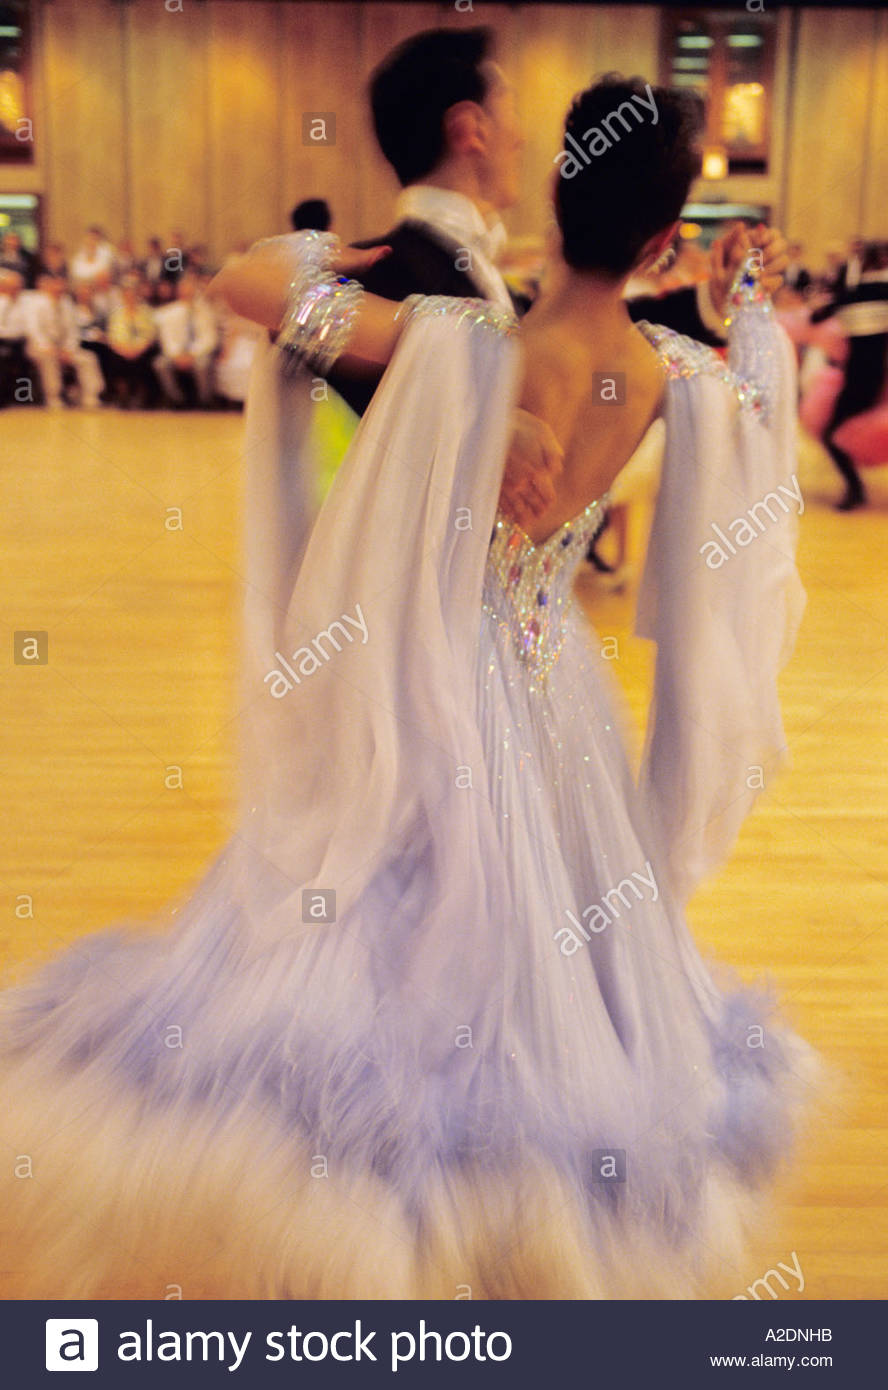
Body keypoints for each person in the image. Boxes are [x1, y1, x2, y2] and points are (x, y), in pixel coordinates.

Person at [0, 73, 815, 1301]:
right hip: (563, 705)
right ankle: (516, 1228)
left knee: (400, 916)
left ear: (555, 192)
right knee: (554, 950)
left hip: (443, 678)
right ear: (659, 239)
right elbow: (762, 402)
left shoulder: (465, 346)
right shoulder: (675, 376)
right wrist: (738, 290)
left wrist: (343, 244)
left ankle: (388, 1215)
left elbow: (244, 282)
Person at [24, 272, 104, 408]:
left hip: (64, 348)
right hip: (39, 347)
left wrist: (68, 349)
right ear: (48, 285)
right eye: (55, 284)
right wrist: (49, 347)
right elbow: (33, 330)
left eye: (61, 284)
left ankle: (91, 396)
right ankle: (53, 397)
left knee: (88, 358)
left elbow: (73, 331)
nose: (58, 287)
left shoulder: (67, 303)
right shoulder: (34, 302)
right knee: (49, 359)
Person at [152, 269, 219, 407]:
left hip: (198, 353)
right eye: (184, 288)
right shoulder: (169, 312)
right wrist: (177, 355)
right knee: (160, 364)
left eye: (190, 288)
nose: (187, 291)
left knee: (203, 364)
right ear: (179, 291)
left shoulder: (205, 311)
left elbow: (210, 338)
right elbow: (167, 338)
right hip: (176, 353)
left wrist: (192, 354)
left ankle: (205, 402)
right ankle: (177, 401)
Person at [105, 273, 158, 408]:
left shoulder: (146, 312)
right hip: (122, 349)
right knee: (113, 359)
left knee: (145, 359)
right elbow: (112, 336)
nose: (130, 296)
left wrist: (138, 348)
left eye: (133, 293)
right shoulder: (116, 314)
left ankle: (140, 395)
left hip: (141, 349)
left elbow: (150, 335)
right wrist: (123, 349)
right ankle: (122, 394)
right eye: (127, 293)